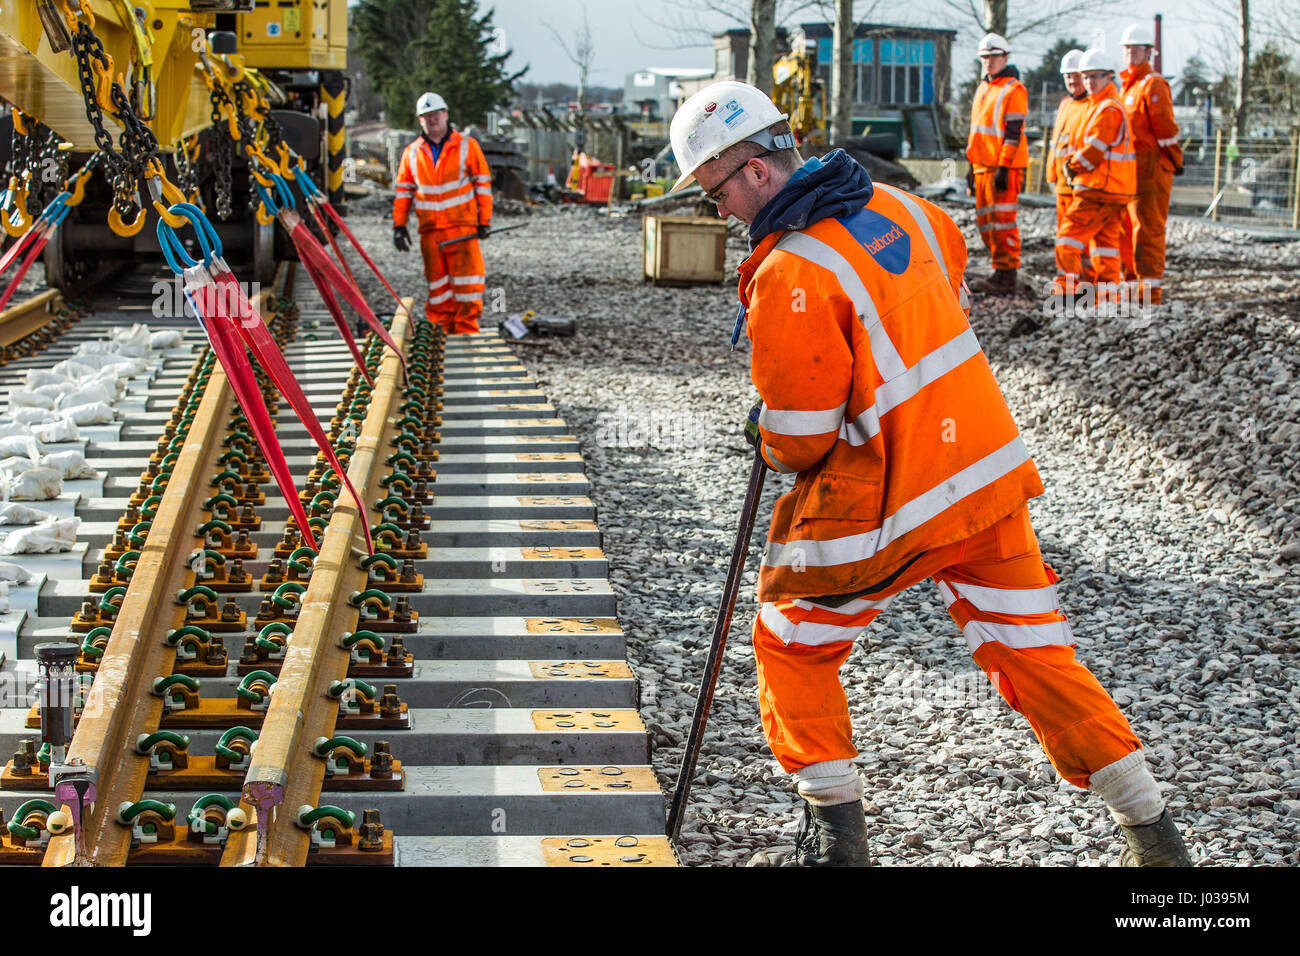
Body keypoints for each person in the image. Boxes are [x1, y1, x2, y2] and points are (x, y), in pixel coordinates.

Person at [668, 79, 1192, 867]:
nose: (722, 213)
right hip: (985, 473)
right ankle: (1152, 833)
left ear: (753, 170)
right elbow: (929, 310)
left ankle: (834, 836)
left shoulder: (790, 272)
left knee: (789, 642)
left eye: (714, 194)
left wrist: (767, 430)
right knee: (1032, 651)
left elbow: (804, 441)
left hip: (890, 494)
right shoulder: (905, 207)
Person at [392, 92, 493, 333]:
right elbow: (403, 192)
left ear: (445, 115)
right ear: (420, 121)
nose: (432, 120)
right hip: (431, 232)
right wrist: (399, 226)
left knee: (467, 285)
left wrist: (484, 220)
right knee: (438, 289)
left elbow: (482, 184)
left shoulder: (467, 146)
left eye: (435, 115)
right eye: (426, 117)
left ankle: (466, 332)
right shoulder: (412, 153)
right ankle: (440, 335)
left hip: (462, 229)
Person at [1054, 49, 1137, 310]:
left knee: (1066, 241)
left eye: (1095, 77)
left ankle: (1067, 294)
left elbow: (1093, 150)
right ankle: (1108, 299)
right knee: (1105, 247)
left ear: (1108, 77)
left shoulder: (1107, 109)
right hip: (1113, 191)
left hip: (1098, 189)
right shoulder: (1105, 105)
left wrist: (1072, 166)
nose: (1089, 82)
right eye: (1086, 77)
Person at [1119, 23, 1183, 306]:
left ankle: (1150, 294)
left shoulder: (1152, 84)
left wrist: (1174, 158)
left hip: (1152, 169)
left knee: (1149, 230)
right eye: (1128, 48)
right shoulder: (1127, 86)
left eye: (1137, 48)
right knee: (1128, 229)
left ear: (1148, 52)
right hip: (1130, 171)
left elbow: (1165, 129)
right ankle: (1132, 286)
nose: (1131, 53)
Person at [965, 33, 1028, 295]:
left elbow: (1013, 132)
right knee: (986, 223)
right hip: (982, 165)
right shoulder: (983, 88)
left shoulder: (1013, 89)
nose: (988, 62)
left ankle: (1007, 274)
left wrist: (1003, 166)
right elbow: (978, 132)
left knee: (1002, 222)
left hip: (1004, 167)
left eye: (993, 57)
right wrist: (971, 166)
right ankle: (999, 269)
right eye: (985, 58)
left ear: (1004, 58)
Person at [1046, 49, 1095, 287]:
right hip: (1062, 185)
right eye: (1068, 77)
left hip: (1079, 183)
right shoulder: (1066, 104)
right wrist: (1051, 173)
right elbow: (1056, 143)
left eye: (1075, 76)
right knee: (1064, 238)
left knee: (1077, 239)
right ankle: (1071, 283)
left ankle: (1084, 283)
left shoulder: (1091, 105)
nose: (1072, 81)